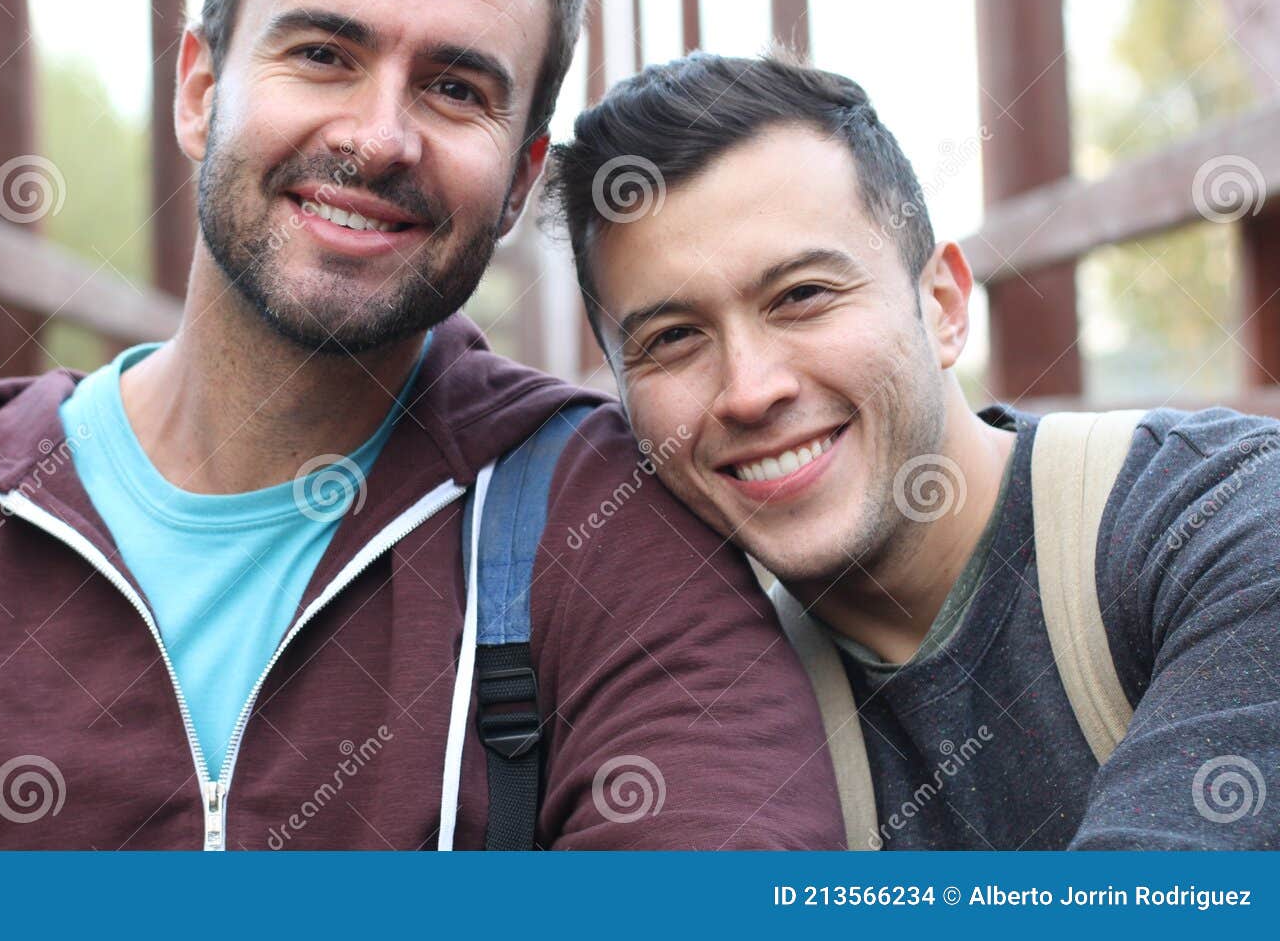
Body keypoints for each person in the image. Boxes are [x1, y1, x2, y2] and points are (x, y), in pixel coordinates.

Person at [0, 0, 842, 851]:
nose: (378, 138)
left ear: (523, 182)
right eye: (325, 54)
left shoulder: (607, 525)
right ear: (201, 90)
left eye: (454, 88)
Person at [543, 50, 1280, 849]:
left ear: (943, 305)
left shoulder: (1224, 523)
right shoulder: (670, 685)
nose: (750, 390)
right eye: (674, 338)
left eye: (802, 296)